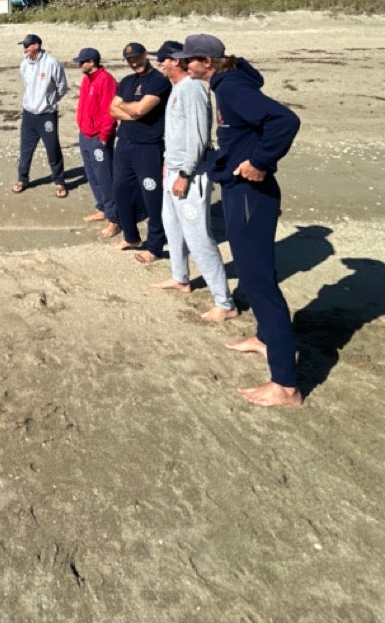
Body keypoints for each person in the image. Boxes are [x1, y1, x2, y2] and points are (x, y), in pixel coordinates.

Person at [182, 34, 302, 408]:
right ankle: (266, 340)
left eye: (189, 61)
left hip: (252, 194)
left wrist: (260, 162)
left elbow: (285, 120)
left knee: (258, 281)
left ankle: (286, 385)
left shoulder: (231, 86)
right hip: (239, 190)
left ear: (206, 61)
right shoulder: (227, 83)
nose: (185, 67)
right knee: (254, 275)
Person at [148, 40, 237, 323]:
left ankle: (224, 302)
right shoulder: (177, 89)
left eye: (163, 59)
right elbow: (176, 134)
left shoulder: (193, 90)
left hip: (191, 174)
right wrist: (167, 164)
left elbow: (199, 137)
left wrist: (185, 174)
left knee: (199, 237)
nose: (159, 64)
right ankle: (180, 277)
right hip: (173, 169)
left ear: (176, 61)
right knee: (171, 225)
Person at [109, 42, 170, 260]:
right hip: (125, 143)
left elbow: (141, 109)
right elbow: (112, 109)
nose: (134, 62)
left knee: (152, 196)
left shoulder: (159, 81)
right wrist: (132, 111)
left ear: (146, 55)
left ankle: (155, 246)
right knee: (121, 190)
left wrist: (130, 108)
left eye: (137, 57)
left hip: (149, 146)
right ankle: (131, 237)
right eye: (129, 59)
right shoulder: (127, 81)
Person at [13, 34, 69, 198]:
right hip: (29, 113)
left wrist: (50, 101)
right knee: (26, 149)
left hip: (47, 115)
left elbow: (62, 87)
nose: (24, 49)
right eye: (23, 45)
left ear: (36, 45)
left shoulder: (52, 63)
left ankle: (59, 181)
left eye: (27, 45)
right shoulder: (24, 64)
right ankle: (22, 179)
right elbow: (26, 84)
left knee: (52, 149)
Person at [72, 47, 119, 236]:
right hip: (85, 134)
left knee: (105, 177)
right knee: (91, 174)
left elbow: (110, 110)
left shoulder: (105, 80)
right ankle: (102, 208)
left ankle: (114, 219)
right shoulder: (86, 80)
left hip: (99, 136)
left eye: (83, 62)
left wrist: (104, 135)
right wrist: (82, 126)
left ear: (92, 62)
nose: (80, 65)